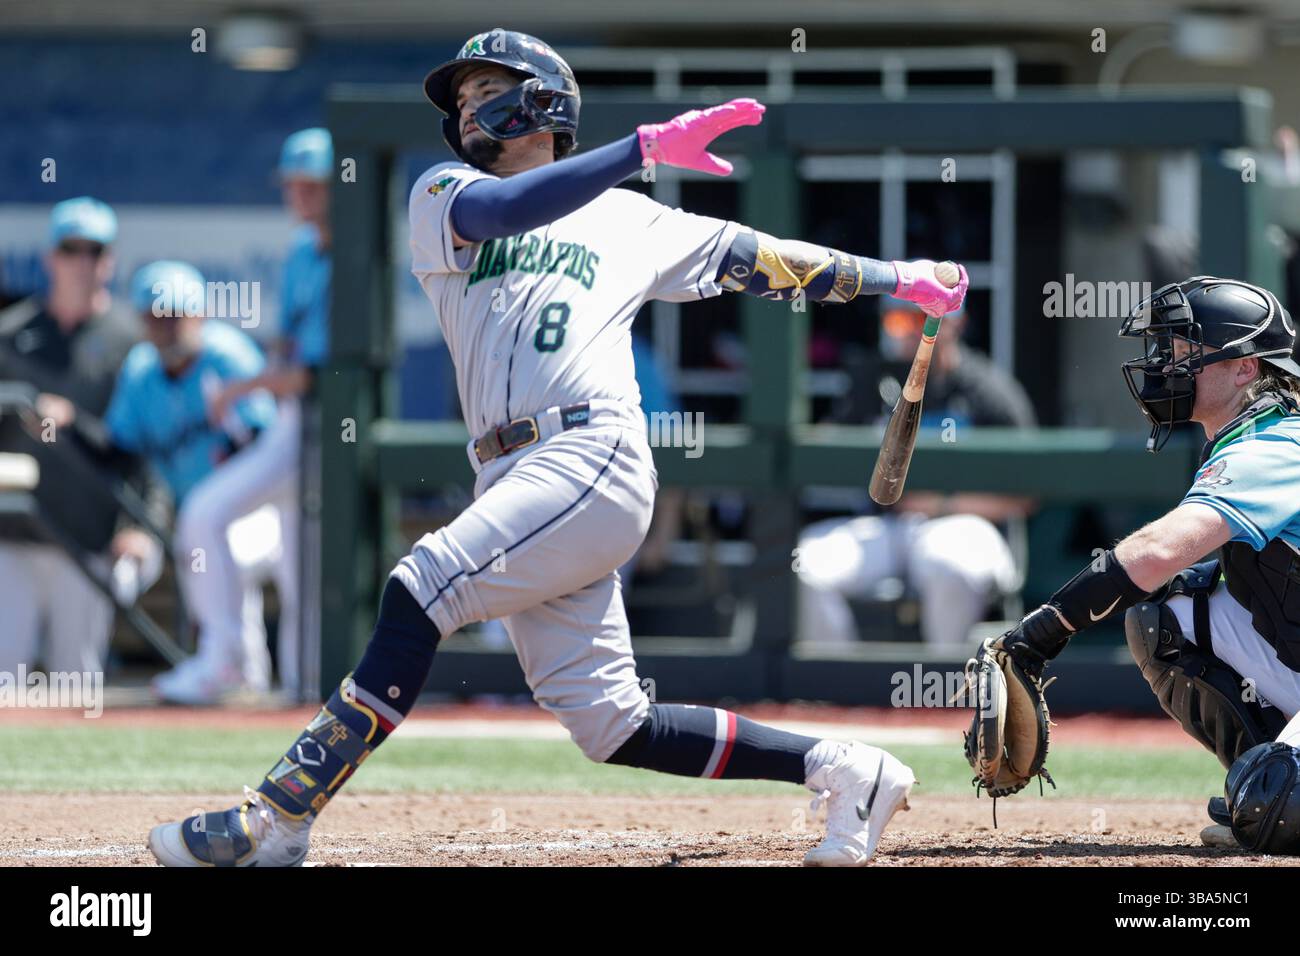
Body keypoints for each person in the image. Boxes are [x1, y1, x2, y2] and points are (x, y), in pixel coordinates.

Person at [148, 28, 967, 868]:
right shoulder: (442, 193)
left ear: (541, 99)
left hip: (591, 455)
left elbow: (768, 262)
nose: (467, 108)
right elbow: (509, 210)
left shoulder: (631, 218)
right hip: (511, 473)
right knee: (611, 723)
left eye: (483, 90)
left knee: (420, 584)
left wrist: (899, 276)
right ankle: (848, 770)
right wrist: (643, 148)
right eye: (461, 99)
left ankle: (280, 815)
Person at [964, 276, 1300, 850]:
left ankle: (1279, 786)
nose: (1166, 364)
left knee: (1279, 809)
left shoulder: (1275, 442)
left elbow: (1159, 550)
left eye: (1186, 352)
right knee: (1168, 615)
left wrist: (1041, 633)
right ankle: (1269, 771)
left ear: (1245, 368)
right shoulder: (1250, 434)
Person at [797, 296, 1036, 647]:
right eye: (897, 322)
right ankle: (840, 687)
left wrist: (939, 505)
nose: (909, 333)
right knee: (806, 565)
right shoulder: (876, 380)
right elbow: (826, 451)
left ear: (956, 322)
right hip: (884, 526)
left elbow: (1026, 495)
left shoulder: (988, 391)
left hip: (963, 526)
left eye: (922, 320)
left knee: (949, 564)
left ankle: (941, 688)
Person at [96, 261, 282, 704]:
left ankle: (238, 668)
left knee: (222, 543)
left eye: (176, 315)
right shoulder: (141, 371)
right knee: (206, 544)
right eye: (156, 317)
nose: (167, 327)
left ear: (198, 314)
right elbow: (119, 451)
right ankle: (241, 675)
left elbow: (265, 445)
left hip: (266, 507)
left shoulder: (228, 357)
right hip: (194, 517)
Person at [203, 127, 334, 697]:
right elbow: (290, 346)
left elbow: (319, 374)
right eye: (294, 185)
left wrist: (242, 387)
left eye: (313, 185)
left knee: (308, 566)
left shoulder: (355, 249)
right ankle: (239, 667)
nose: (300, 196)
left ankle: (304, 685)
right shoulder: (302, 250)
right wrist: (265, 380)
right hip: (292, 422)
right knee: (284, 553)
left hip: (330, 421)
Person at [0, 197, 152, 675]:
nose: (82, 262)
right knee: (4, 681)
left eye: (94, 250)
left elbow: (147, 444)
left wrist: (140, 527)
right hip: (12, 537)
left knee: (77, 689)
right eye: (71, 249)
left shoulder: (132, 342)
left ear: (109, 261)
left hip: (88, 540)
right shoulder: (11, 333)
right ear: (50, 258)